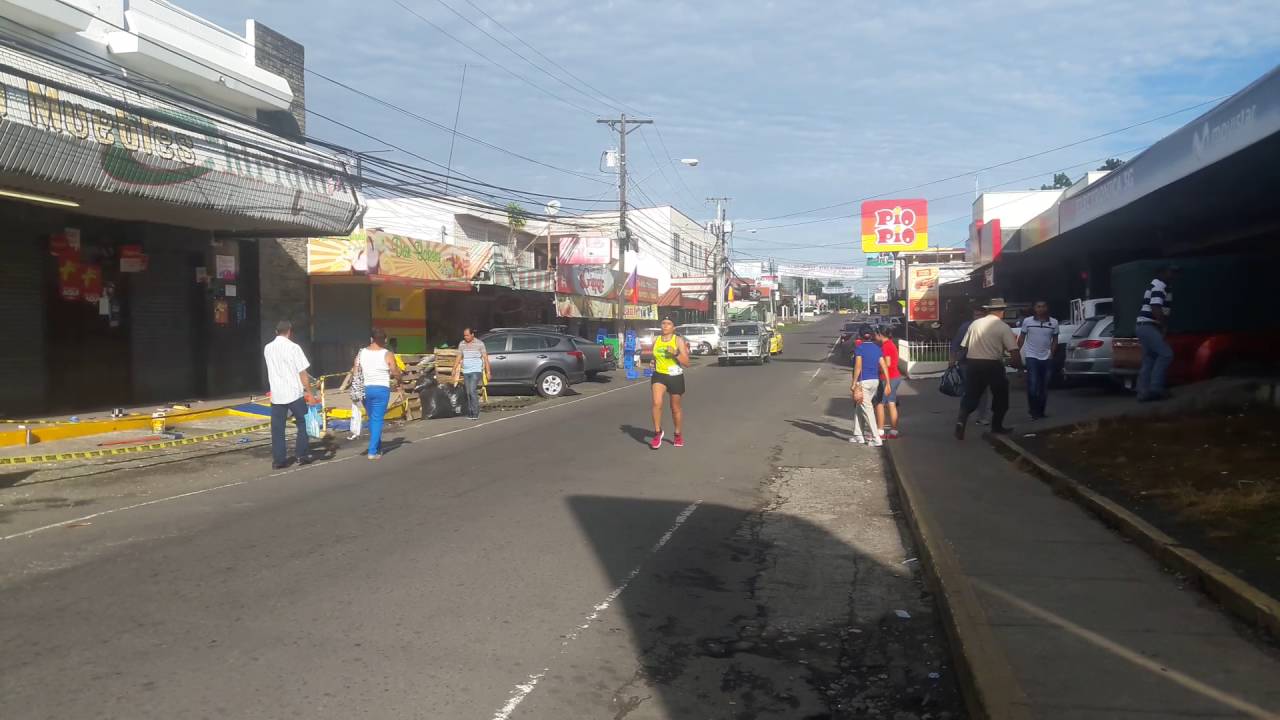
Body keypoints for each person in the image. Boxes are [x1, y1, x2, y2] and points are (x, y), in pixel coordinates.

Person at [956, 299, 1022, 440]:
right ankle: (996, 427)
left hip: (973, 364)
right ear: (1002, 312)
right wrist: (1018, 365)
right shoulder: (1003, 327)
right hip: (992, 365)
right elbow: (1014, 350)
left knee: (971, 395)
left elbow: (964, 346)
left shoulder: (975, 324)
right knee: (1000, 396)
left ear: (988, 310)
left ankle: (961, 420)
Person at [263, 320, 313, 469]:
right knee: (303, 423)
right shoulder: (294, 347)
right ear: (290, 331)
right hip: (294, 392)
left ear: (276, 332)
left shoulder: (268, 348)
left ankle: (279, 460)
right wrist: (310, 392)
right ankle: (301, 455)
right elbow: (302, 372)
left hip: (277, 394)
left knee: (278, 428)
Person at [353, 328, 401, 460]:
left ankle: (378, 447)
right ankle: (372, 451)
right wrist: (399, 380)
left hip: (365, 389)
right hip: (381, 389)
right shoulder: (387, 354)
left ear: (371, 339)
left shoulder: (361, 353)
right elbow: (394, 370)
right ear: (385, 340)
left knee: (373, 418)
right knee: (377, 419)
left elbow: (355, 370)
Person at [1137, 264, 1177, 402]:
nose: (1173, 275)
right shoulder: (1159, 286)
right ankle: (1156, 389)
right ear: (1162, 273)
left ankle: (1143, 393)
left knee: (1149, 359)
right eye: (1171, 272)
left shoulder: (1159, 286)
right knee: (1166, 354)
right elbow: (1155, 308)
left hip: (1144, 326)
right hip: (1148, 326)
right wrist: (1163, 326)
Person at [649, 317, 690, 449]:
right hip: (659, 375)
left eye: (668, 324)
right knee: (656, 403)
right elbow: (654, 356)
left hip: (674, 376)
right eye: (663, 323)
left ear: (673, 327)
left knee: (675, 407)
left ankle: (677, 434)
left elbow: (687, 362)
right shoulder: (655, 339)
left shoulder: (678, 340)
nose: (665, 326)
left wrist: (675, 353)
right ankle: (657, 432)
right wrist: (653, 362)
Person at [1018, 300, 1059, 420]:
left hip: (1047, 357)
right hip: (1032, 356)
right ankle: (1033, 410)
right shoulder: (1028, 321)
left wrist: (1051, 353)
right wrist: (1015, 353)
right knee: (1033, 384)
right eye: (1038, 307)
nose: (1041, 309)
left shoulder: (1054, 322)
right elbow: (1021, 338)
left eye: (1043, 306)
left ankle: (1041, 411)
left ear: (1047, 308)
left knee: (1044, 385)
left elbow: (1055, 340)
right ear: (1034, 309)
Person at [950, 305, 991, 425]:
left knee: (983, 391)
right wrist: (952, 358)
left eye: (980, 315)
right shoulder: (966, 327)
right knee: (968, 390)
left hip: (984, 362)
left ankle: (982, 416)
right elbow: (956, 343)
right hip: (966, 363)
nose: (978, 317)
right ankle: (963, 417)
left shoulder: (989, 327)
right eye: (976, 315)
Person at [851, 329, 888, 447]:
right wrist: (888, 382)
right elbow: (883, 365)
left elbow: (858, 367)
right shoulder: (877, 348)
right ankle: (858, 435)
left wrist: (854, 383)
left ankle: (876, 438)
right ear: (871, 336)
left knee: (867, 409)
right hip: (874, 381)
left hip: (863, 382)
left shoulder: (860, 348)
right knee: (859, 407)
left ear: (860, 336)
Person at [452, 327, 492, 420]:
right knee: (467, 392)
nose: (465, 337)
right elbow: (459, 356)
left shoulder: (479, 344)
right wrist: (454, 368)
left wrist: (488, 371)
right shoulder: (462, 344)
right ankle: (470, 412)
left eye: (467, 335)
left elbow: (485, 358)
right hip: (466, 371)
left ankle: (475, 412)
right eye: (464, 335)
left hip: (476, 370)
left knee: (472, 390)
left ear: (472, 335)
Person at [874, 327, 904, 438]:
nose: (875, 337)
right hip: (895, 376)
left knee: (880, 404)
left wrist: (877, 369)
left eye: (876, 334)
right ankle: (893, 431)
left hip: (888, 378)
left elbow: (887, 363)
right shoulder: (891, 344)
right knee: (891, 403)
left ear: (880, 335)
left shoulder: (886, 346)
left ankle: (880, 431)